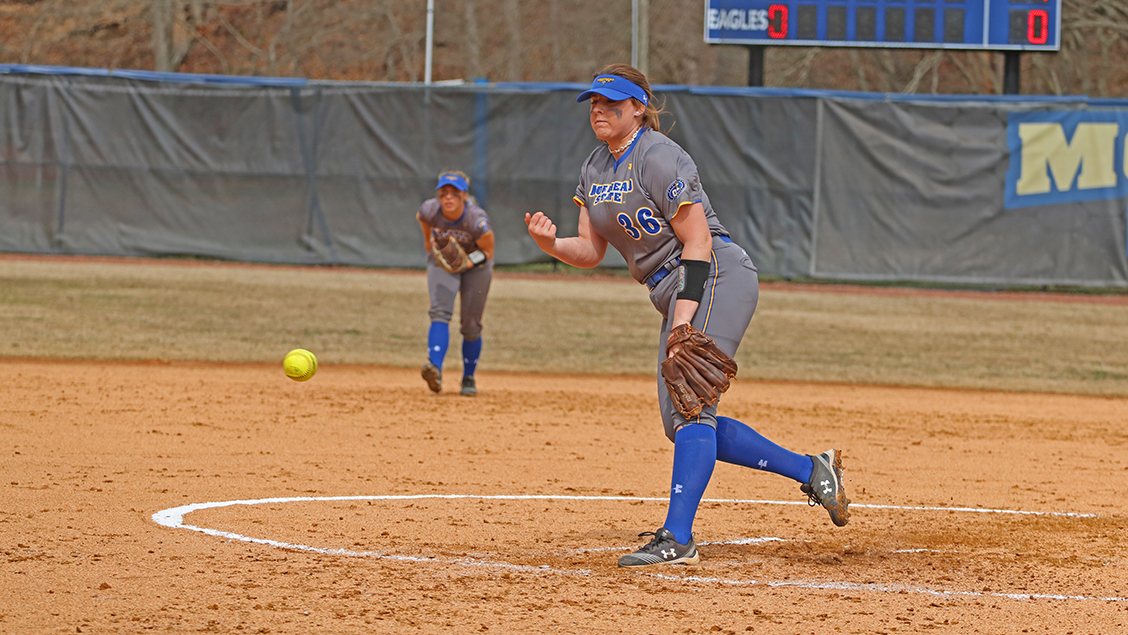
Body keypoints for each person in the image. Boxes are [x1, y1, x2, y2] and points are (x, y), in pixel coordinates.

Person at [524, 64, 850, 567]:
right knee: (682, 423)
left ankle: (678, 538)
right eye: (594, 102)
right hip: (671, 289)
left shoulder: (659, 155)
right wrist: (552, 244)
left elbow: (696, 241)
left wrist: (683, 320)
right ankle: (813, 471)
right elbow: (590, 249)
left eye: (612, 102)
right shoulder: (595, 166)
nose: (599, 110)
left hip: (713, 274)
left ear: (639, 108)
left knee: (692, 407)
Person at [417, 170, 495, 396]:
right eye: (444, 193)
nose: (448, 197)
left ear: (464, 197)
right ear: (438, 197)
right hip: (443, 261)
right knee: (439, 312)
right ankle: (435, 368)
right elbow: (422, 220)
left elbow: (488, 251)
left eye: (454, 193)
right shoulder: (430, 210)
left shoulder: (476, 220)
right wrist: (428, 244)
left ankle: (468, 378)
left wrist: (466, 263)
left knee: (471, 324)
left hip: (477, 266)